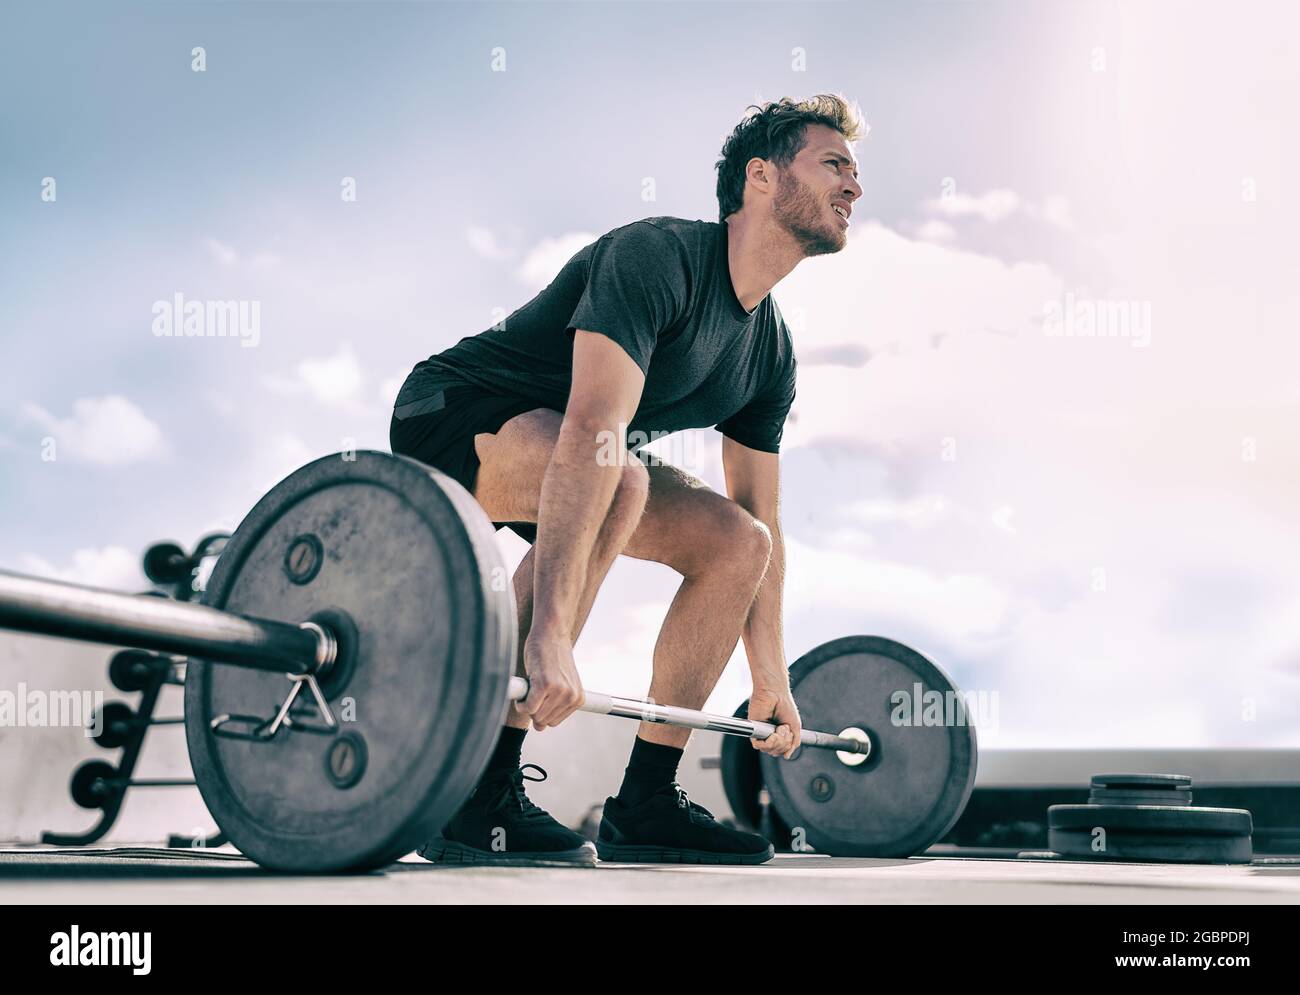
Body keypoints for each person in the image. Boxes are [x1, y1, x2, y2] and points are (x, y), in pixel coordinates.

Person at [390, 93, 864, 865]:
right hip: (449, 413)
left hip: (583, 458)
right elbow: (592, 430)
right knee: (622, 478)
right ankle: (478, 792)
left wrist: (768, 674)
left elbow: (762, 516)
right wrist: (548, 637)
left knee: (737, 542)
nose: (854, 187)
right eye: (834, 164)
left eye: (855, 171)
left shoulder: (769, 353)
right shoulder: (658, 256)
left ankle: (645, 800)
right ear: (762, 179)